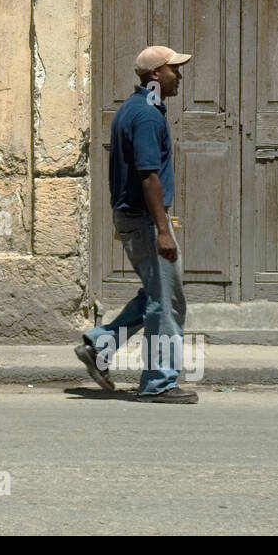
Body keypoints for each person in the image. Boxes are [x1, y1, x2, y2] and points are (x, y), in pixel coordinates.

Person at [75, 45, 197, 403]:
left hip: (135, 218)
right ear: (155, 75)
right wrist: (162, 230)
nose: (180, 76)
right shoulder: (146, 116)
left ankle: (101, 344)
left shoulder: (134, 109)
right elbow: (148, 176)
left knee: (154, 295)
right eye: (174, 69)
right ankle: (159, 382)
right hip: (145, 220)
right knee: (167, 303)